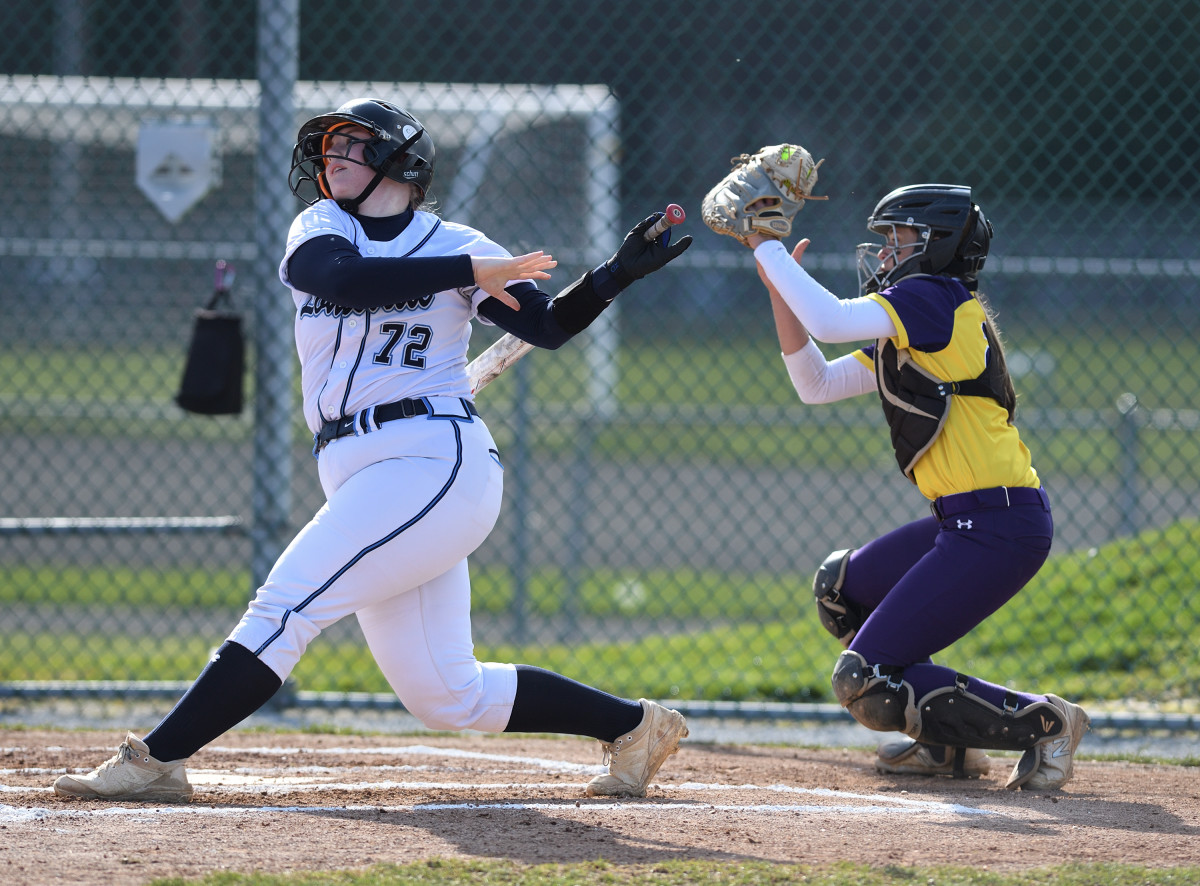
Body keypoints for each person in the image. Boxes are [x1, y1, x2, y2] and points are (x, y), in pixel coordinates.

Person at [53, 98, 692, 803]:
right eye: (327, 148)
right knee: (449, 694)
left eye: (351, 146)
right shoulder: (323, 228)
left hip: (432, 461)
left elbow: (546, 327)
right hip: (357, 466)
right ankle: (636, 728)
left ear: (397, 159)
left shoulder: (461, 245)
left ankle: (157, 761)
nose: (331, 158)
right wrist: (468, 271)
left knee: (286, 609)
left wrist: (613, 275)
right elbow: (344, 282)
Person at [748, 184, 1089, 790]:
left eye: (897, 238)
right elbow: (816, 384)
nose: (884, 253)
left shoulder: (935, 299)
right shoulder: (921, 322)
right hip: (963, 522)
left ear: (936, 247)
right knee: (842, 589)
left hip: (998, 527)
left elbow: (828, 320)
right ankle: (945, 745)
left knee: (866, 679)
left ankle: (1045, 722)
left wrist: (767, 244)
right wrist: (778, 284)